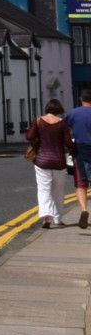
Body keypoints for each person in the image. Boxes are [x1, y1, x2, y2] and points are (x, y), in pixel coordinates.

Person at [28, 99, 73, 229]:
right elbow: (68, 143)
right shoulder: (62, 123)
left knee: (44, 189)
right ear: (59, 110)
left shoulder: (38, 121)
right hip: (58, 160)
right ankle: (57, 219)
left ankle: (46, 216)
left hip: (42, 160)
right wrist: (74, 152)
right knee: (58, 190)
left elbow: (29, 136)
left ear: (47, 108)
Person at [66, 88, 91, 230]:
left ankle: (84, 210)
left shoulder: (73, 114)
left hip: (80, 151)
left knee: (81, 184)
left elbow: (66, 132)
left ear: (81, 99)